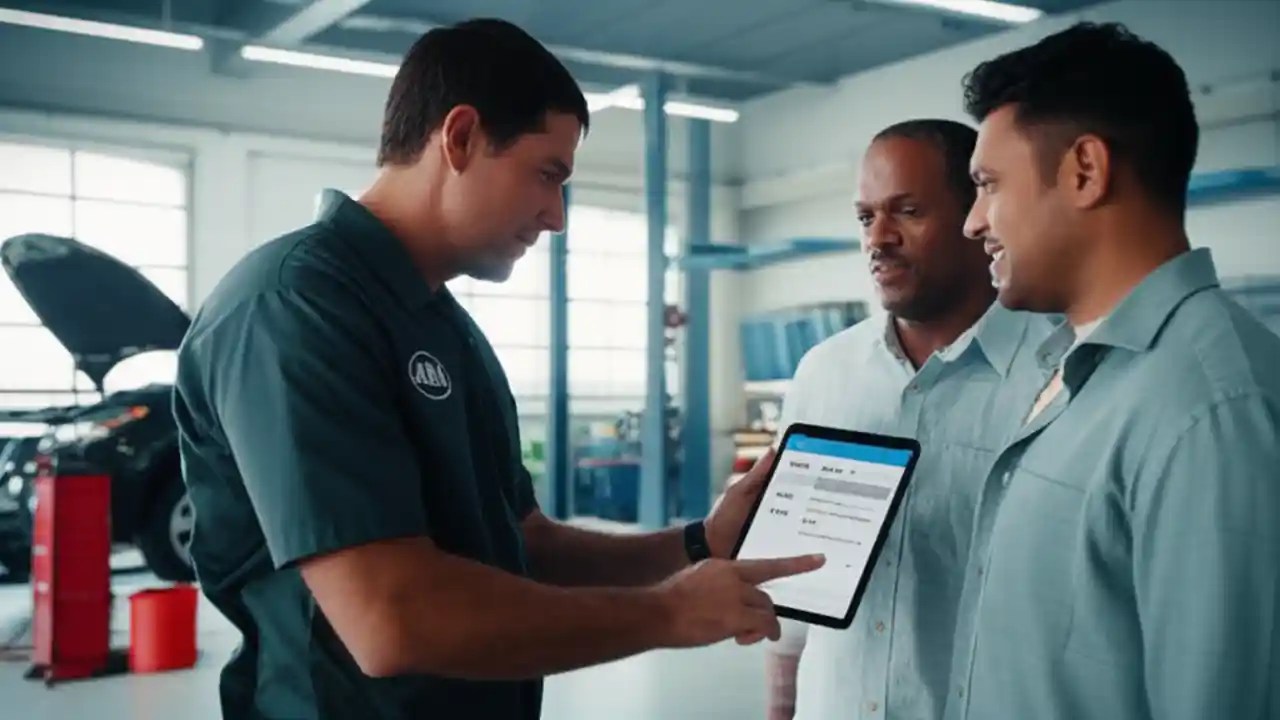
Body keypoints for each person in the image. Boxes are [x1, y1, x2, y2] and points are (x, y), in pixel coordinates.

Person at [172, 18, 822, 720]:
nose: (556, 216)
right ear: (459, 137)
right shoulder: (293, 308)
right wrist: (665, 615)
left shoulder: (447, 329)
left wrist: (696, 543)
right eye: (548, 174)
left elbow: (523, 544)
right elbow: (390, 619)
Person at [949, 22, 1280, 720]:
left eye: (987, 185)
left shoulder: (1209, 410)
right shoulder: (1079, 371)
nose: (972, 222)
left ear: (1084, 171)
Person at [765, 119, 1053, 720]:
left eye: (908, 211)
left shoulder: (1057, 375)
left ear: (978, 215)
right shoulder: (824, 373)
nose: (879, 238)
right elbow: (792, 601)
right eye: (866, 217)